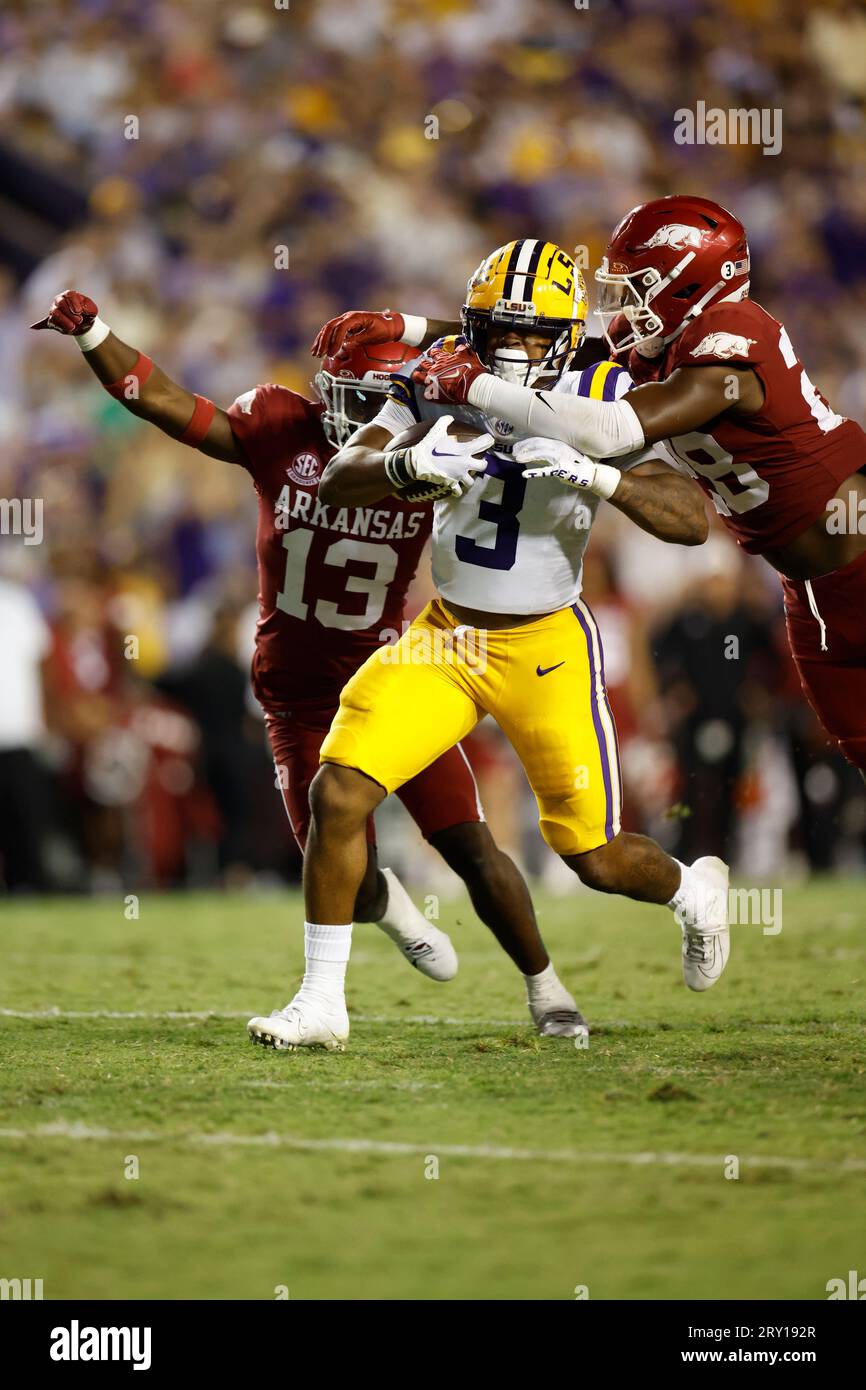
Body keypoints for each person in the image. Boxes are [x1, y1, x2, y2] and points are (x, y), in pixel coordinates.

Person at [32, 290, 588, 1041]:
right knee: (343, 875)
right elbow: (164, 401)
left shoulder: (442, 442)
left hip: (388, 678)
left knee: (469, 846)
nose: (362, 418)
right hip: (294, 691)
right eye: (349, 398)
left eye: (377, 401)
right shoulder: (278, 427)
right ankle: (383, 904)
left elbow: (506, 361)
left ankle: (549, 990)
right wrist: (96, 333)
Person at [273, 238, 730, 1053]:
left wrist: (599, 477)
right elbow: (342, 472)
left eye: (530, 333)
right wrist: (408, 464)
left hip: (546, 642)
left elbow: (692, 519)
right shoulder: (443, 370)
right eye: (497, 329)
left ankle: (691, 889)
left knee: (593, 855)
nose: (510, 348)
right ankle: (321, 1004)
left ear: (563, 332)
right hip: (445, 637)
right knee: (337, 793)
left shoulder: (604, 390)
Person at [369, 198, 866, 781]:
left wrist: (477, 386)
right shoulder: (661, 337)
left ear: (687, 284)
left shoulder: (732, 335)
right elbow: (543, 331)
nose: (623, 304)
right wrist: (408, 328)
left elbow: (614, 428)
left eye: (637, 286)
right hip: (809, 585)